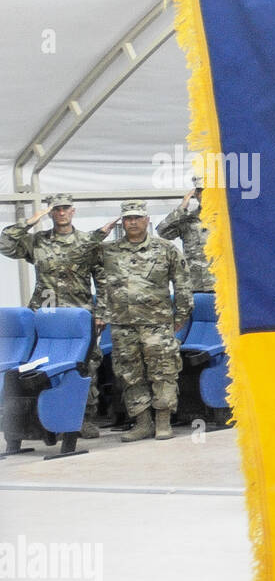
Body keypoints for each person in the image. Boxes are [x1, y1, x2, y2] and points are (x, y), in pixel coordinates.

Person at [0, 192, 116, 438]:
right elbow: (5, 243)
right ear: (50, 212)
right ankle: (48, 419)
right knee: (44, 367)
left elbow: (103, 280)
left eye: (65, 209)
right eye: (55, 209)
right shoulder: (38, 242)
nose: (61, 213)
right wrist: (30, 221)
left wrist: (102, 312)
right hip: (47, 316)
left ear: (73, 211)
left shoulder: (88, 241)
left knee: (85, 367)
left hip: (79, 314)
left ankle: (81, 419)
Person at [94, 200, 192, 442]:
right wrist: (99, 233)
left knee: (163, 372)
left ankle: (163, 422)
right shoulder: (109, 251)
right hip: (123, 325)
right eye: (128, 218)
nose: (133, 222)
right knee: (129, 375)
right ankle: (142, 423)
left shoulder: (165, 249)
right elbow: (77, 251)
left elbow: (183, 284)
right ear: (122, 222)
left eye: (137, 217)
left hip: (157, 325)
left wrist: (180, 315)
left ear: (147, 220)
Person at [156, 180, 216, 292]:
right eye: (200, 191)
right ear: (196, 194)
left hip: (222, 287)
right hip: (195, 286)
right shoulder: (187, 219)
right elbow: (162, 232)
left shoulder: (227, 218)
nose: (204, 195)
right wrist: (181, 208)